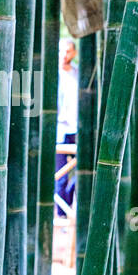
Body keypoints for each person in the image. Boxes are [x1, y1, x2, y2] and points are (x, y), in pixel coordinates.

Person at [55, 39, 78, 216]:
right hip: (59, 130)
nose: (65, 55)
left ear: (74, 53)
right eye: (62, 51)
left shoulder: (79, 73)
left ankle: (72, 207)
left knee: (85, 170)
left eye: (68, 51)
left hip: (78, 129)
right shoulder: (51, 74)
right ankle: (63, 214)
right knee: (60, 175)